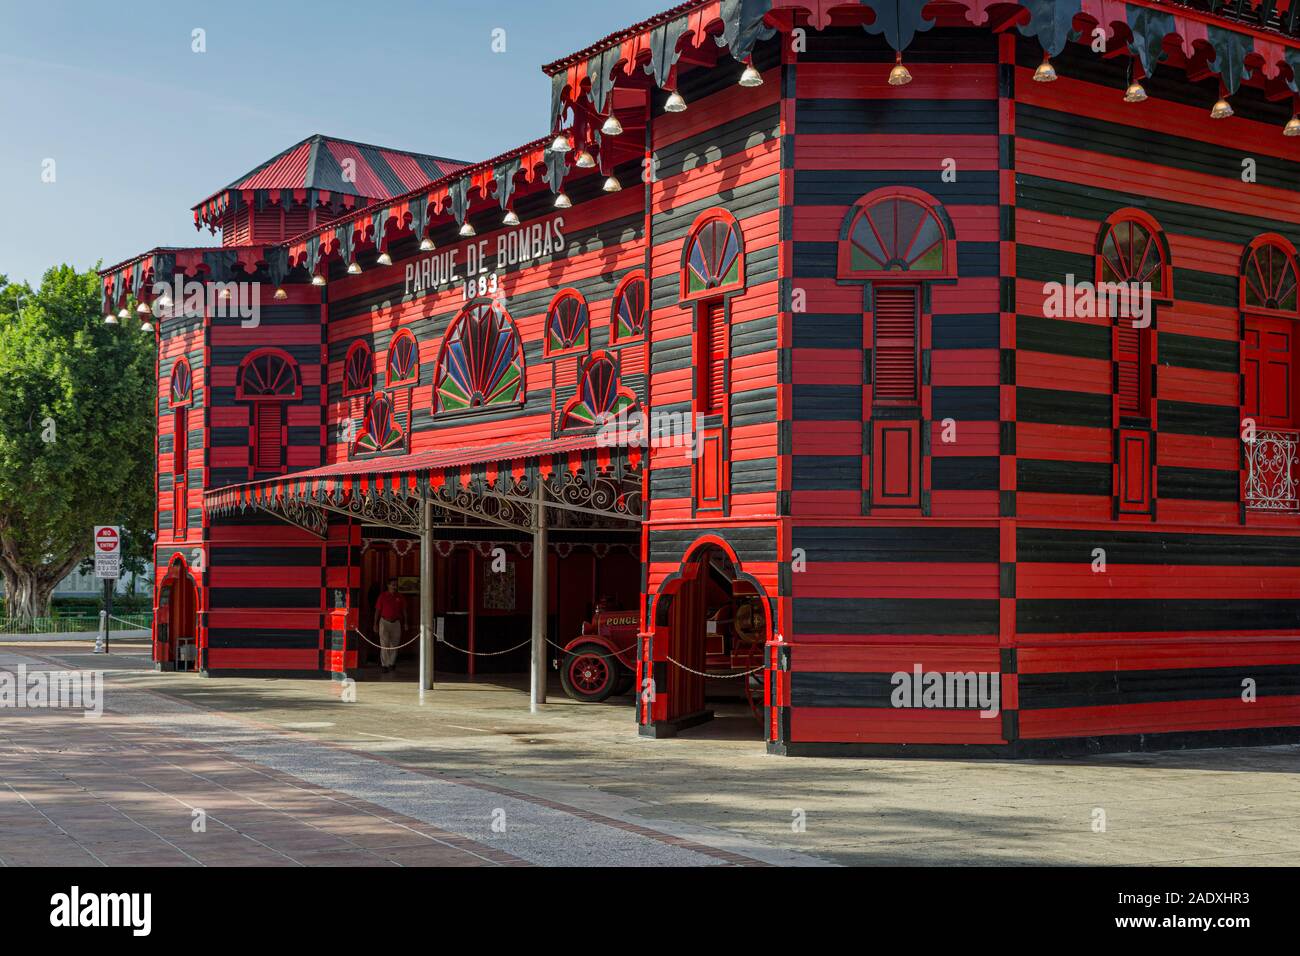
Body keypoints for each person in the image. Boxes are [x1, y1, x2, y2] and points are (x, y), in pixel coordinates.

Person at [373, 578, 407, 673]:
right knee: (384, 644)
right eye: (392, 584)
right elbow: (377, 611)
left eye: (395, 585)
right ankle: (384, 665)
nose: (394, 586)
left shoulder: (400, 597)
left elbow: (404, 611)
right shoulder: (382, 596)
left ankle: (392, 663)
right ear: (388, 585)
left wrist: (405, 623)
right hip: (384, 622)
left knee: (395, 644)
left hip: (396, 622)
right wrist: (375, 624)